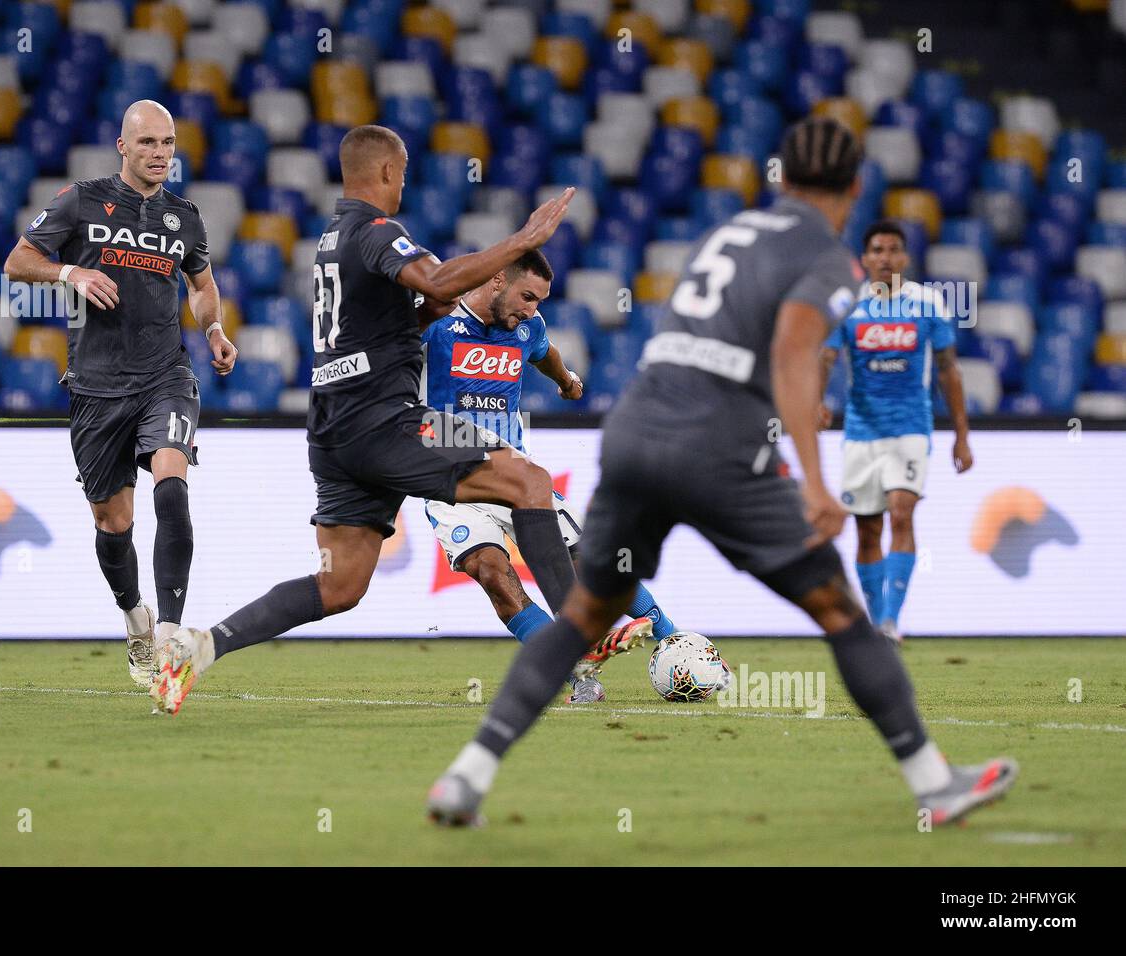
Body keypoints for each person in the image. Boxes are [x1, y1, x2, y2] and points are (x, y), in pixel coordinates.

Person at [426, 117, 1016, 828]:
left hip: (637, 429)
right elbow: (797, 361)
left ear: (782, 180)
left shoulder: (726, 235)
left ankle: (466, 776)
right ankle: (934, 782)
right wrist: (817, 483)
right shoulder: (827, 259)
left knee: (582, 612)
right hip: (719, 444)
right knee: (836, 609)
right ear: (854, 189)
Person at [150, 125, 578, 715]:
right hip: (392, 421)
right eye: (400, 174)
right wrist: (522, 239)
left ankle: (199, 648)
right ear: (383, 173)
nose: (402, 184)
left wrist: (424, 312)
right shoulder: (376, 231)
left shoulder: (332, 240)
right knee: (529, 480)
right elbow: (436, 279)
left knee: (339, 585)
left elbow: (403, 315)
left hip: (334, 431)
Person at [4, 100, 237, 686]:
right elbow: (17, 261)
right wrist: (69, 273)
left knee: (172, 488)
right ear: (123, 147)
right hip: (96, 388)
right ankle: (137, 619)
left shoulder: (185, 218)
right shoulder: (80, 201)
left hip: (166, 377)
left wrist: (212, 327)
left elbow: (203, 285)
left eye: (169, 143)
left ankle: (171, 638)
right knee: (114, 523)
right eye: (149, 143)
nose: (161, 154)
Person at [420, 249, 683, 703]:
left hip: (517, 480)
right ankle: (577, 674)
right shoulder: (438, 323)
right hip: (449, 484)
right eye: (527, 296)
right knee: (492, 574)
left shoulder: (527, 328)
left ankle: (676, 642)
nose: (532, 310)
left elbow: (546, 353)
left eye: (540, 301)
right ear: (497, 280)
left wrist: (565, 380)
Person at [819, 220, 973, 641]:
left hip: (910, 428)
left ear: (905, 258)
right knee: (867, 528)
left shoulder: (927, 304)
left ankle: (890, 620)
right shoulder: (848, 304)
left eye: (893, 250)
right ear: (865, 259)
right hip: (861, 431)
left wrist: (961, 434)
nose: (885, 257)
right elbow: (827, 357)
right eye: (877, 250)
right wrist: (816, 400)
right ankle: (875, 621)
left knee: (902, 513)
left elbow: (948, 369)